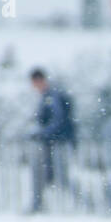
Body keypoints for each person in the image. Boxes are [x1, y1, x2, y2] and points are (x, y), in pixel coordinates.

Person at [28, 68, 76, 213]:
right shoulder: (48, 96)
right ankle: (42, 205)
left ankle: (78, 204)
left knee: (61, 176)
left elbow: (58, 119)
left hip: (58, 143)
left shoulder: (52, 97)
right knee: (54, 175)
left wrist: (43, 133)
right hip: (55, 141)